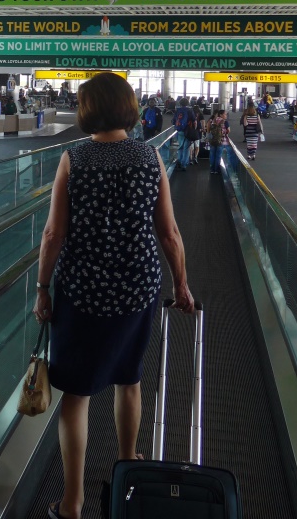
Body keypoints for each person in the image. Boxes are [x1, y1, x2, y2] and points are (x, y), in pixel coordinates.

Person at [31, 73, 194, 519]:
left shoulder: (75, 159)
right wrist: (181, 283)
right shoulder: (149, 156)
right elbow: (169, 232)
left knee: (76, 395)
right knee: (129, 379)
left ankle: (72, 502)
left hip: (82, 291)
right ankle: (127, 466)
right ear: (128, 107)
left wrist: (43, 288)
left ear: (87, 111)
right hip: (137, 287)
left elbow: (53, 234)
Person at [172, 97, 196, 170]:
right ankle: (184, 164)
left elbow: (173, 121)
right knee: (186, 148)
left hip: (179, 130)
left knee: (180, 147)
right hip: (187, 131)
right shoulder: (190, 110)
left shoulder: (177, 110)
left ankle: (179, 161)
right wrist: (194, 130)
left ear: (180, 103)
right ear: (187, 103)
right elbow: (194, 120)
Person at [206, 108, 229, 172]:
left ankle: (212, 169)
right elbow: (228, 130)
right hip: (220, 140)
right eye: (225, 114)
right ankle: (216, 169)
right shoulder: (224, 121)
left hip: (212, 140)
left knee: (212, 154)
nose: (226, 116)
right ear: (220, 115)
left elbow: (208, 129)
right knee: (218, 155)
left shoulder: (212, 120)